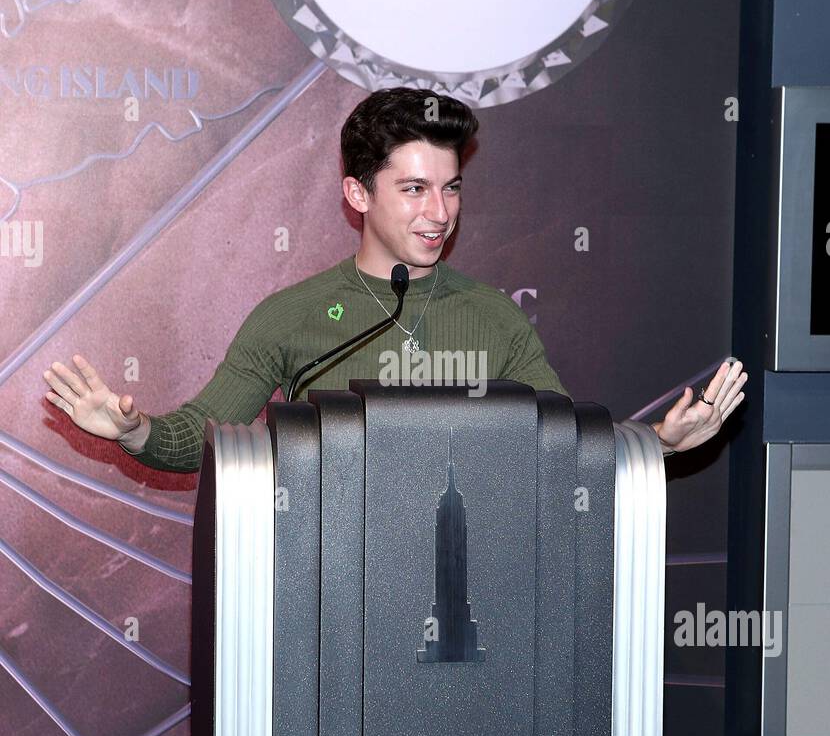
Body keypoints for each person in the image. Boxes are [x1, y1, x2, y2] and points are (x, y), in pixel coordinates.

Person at [42, 88, 747, 472]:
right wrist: (132, 431)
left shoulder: (493, 316)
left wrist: (655, 441)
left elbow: (561, 448)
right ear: (357, 194)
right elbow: (197, 438)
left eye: (451, 188)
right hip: (329, 604)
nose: (439, 213)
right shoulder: (292, 317)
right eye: (413, 189)